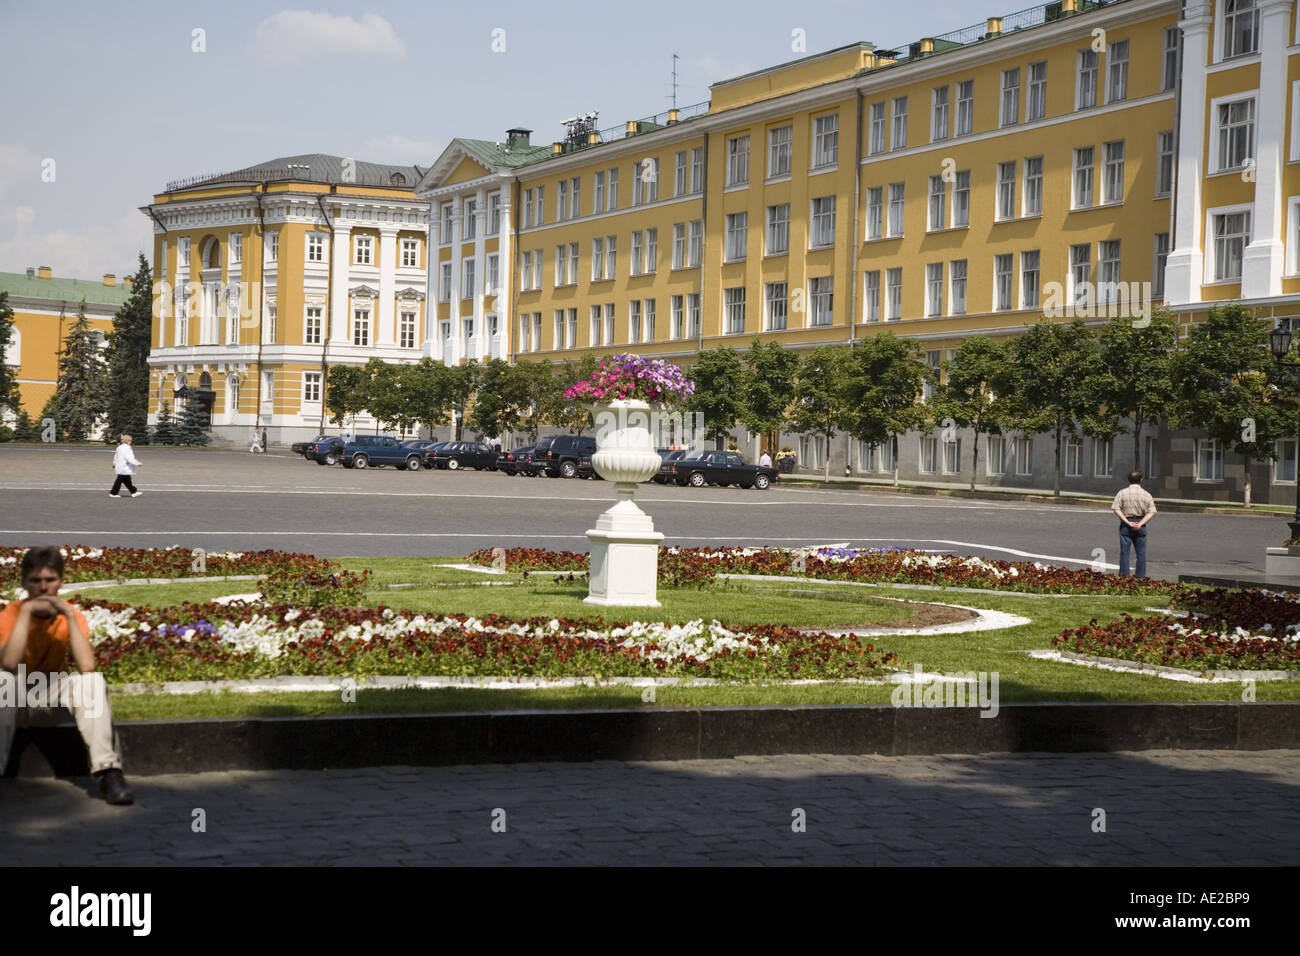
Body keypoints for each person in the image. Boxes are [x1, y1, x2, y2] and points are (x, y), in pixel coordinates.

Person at [0, 546, 134, 804]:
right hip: (13, 698)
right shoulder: (12, 613)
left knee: (91, 682)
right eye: (35, 580)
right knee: (3, 681)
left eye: (50, 580)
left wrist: (70, 616)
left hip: (50, 696)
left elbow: (87, 666)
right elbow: (8, 663)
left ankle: (109, 772)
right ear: (24, 583)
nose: (43, 587)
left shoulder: (71, 614)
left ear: (61, 582)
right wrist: (26, 613)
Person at [1111, 469, 1157, 577]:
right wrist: (1140, 523)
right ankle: (1140, 577)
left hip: (1126, 525)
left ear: (1128, 480)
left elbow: (1116, 509)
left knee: (1124, 553)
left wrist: (1127, 522)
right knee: (1141, 553)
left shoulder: (1122, 493)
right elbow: (1152, 511)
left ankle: (1124, 576)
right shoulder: (1146, 494)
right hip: (1141, 524)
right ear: (1141, 479)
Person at [109, 434, 142, 498]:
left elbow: (116, 456)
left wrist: (114, 463)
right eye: (130, 440)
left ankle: (133, 492)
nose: (131, 442)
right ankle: (113, 493)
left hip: (120, 466)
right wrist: (137, 463)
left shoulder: (119, 447)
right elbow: (129, 458)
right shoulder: (127, 448)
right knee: (119, 480)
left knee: (127, 480)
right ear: (128, 441)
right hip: (124, 467)